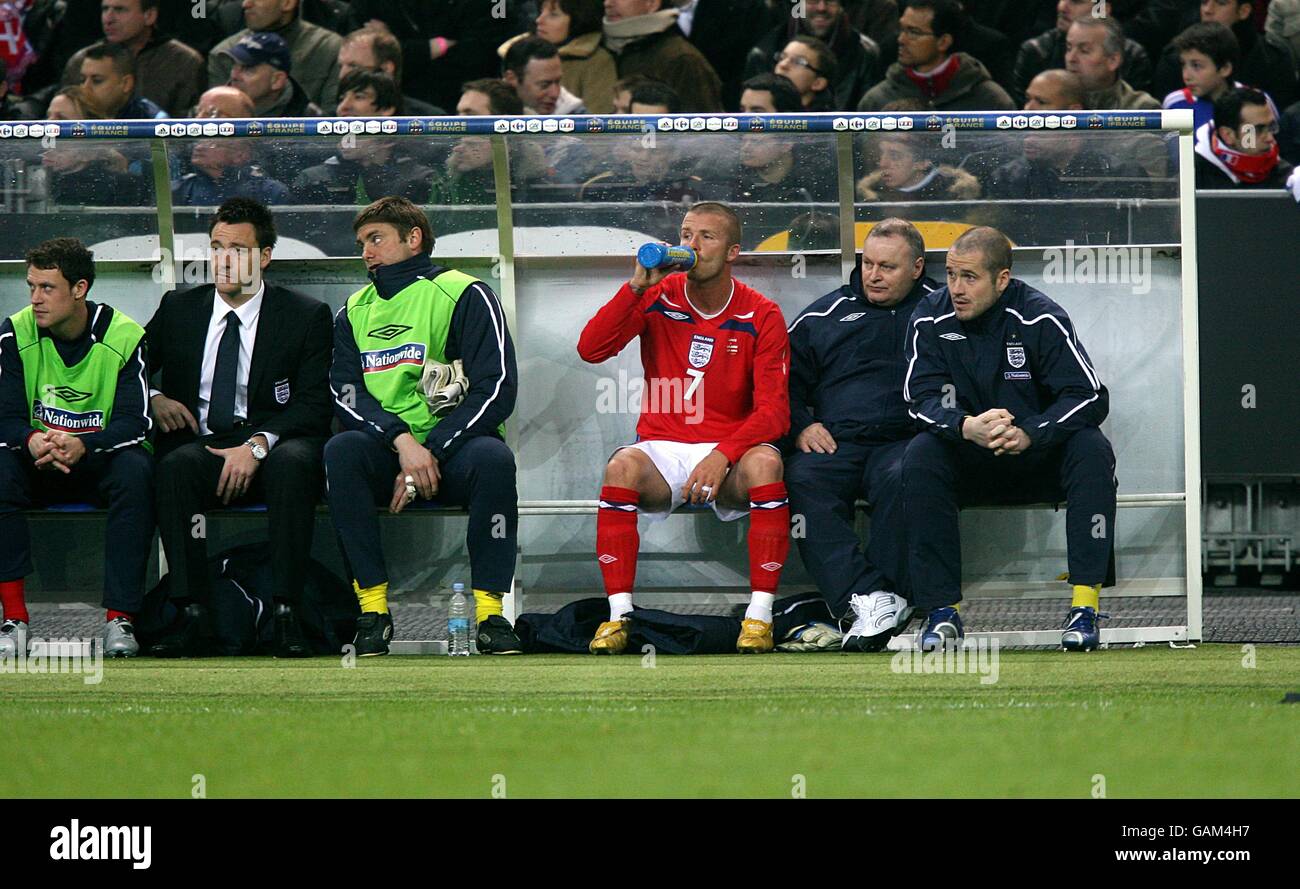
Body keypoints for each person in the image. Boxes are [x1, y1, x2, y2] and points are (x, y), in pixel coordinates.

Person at [576, 202, 791, 655]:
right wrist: (636, 288)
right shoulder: (658, 294)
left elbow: (774, 414)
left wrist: (722, 454)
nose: (692, 246)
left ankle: (759, 618)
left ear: (732, 252)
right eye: (686, 235)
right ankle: (619, 617)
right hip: (664, 447)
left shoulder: (761, 313)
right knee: (621, 467)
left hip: (730, 453)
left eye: (706, 237)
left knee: (767, 463)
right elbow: (591, 350)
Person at [901, 227, 1117, 652]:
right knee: (920, 455)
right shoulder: (929, 316)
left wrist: (1030, 433)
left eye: (969, 277)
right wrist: (966, 426)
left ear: (1002, 280)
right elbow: (916, 400)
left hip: (1037, 457)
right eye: (951, 275)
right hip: (970, 455)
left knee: (1092, 448)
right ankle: (942, 612)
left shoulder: (1039, 317)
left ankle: (1085, 607)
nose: (956, 289)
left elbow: (1090, 396)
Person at [325, 197, 522, 657]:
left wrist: (430, 449)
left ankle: (491, 615)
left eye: (376, 239)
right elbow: (345, 394)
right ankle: (373, 611)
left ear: (413, 238)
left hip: (453, 450)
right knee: (341, 451)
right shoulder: (353, 310)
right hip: (389, 450)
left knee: (495, 459)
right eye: (361, 243)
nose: (366, 253)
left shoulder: (466, 293)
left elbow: (496, 389)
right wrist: (402, 444)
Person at [146, 199, 333, 658]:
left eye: (238, 250)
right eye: (216, 248)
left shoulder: (305, 315)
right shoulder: (179, 308)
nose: (224, 260)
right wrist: (154, 397)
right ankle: (192, 614)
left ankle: (286, 612)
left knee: (294, 463)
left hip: (274, 442)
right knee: (175, 467)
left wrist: (257, 445)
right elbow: (130, 368)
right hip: (204, 445)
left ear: (264, 257)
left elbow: (314, 403)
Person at [785, 219, 939, 651]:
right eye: (868, 263)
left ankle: (887, 601)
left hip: (911, 439)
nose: (873, 275)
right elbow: (780, 383)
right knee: (802, 478)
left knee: (907, 474)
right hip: (838, 440)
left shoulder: (942, 311)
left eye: (887, 267)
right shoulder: (823, 315)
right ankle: (871, 597)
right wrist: (801, 424)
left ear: (917, 268)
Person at [0, 238, 153, 659]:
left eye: (47, 288)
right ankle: (14, 619)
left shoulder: (124, 335)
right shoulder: (14, 333)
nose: (35, 299)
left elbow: (135, 421)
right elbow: (5, 415)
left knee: (136, 470)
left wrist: (83, 444)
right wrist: (32, 439)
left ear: (80, 288)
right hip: (36, 460)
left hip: (95, 461)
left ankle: (120, 619)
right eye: (31, 286)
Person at [344, 0, 518, 112]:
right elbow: (357, 46)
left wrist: (397, 44)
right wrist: (427, 49)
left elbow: (481, 52)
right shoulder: (369, 5)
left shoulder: (494, 4)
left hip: (462, 97)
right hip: (398, 101)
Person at [293, 70, 434, 206]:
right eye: (342, 99)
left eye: (359, 97)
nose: (343, 107)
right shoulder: (314, 179)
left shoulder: (419, 180)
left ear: (386, 109)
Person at [857, 0, 1013, 112]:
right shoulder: (876, 101)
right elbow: (858, 149)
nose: (901, 39)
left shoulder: (991, 101)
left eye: (913, 32)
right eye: (902, 29)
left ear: (943, 42)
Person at [61, 0, 206, 118]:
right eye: (105, 9)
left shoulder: (184, 61)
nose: (108, 19)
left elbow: (187, 127)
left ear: (149, 15)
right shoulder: (81, 60)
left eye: (120, 10)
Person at [1153, 1, 1297, 110]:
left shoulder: (1273, 59)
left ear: (1243, 11)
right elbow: (1167, 136)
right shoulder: (1174, 59)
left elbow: (1273, 132)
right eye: (1204, 2)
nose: (1207, 10)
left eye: (1221, 3)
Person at [744, 0, 882, 110]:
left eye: (830, 0)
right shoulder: (764, 52)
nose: (821, 7)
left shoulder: (866, 53)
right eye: (813, 0)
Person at [1011, 0, 1153, 106]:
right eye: (1068, 48)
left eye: (1076, 1)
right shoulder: (1036, 51)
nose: (1062, 6)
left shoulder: (1132, 56)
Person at [210, 0, 343, 113]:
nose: (246, 4)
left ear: (288, 2)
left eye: (248, 68)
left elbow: (333, 120)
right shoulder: (223, 53)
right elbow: (217, 112)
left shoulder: (329, 48)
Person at [1161, 22, 1287, 133]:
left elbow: (1263, 147)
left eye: (1197, 66)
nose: (1186, 76)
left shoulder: (1257, 103)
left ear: (1224, 68)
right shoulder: (1175, 104)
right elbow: (1171, 151)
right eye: (1183, 64)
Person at [601, 0, 723, 112]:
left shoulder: (680, 58)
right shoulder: (603, 50)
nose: (608, 3)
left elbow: (702, 123)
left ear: (652, 3)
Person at [1194, 86, 1300, 194]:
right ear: (1228, 135)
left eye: (1271, 126)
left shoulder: (1288, 177)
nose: (1270, 138)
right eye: (1257, 130)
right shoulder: (1192, 175)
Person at [529, 0, 618, 113]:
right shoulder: (522, 53)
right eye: (541, 12)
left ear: (577, 20)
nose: (539, 20)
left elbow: (597, 117)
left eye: (553, 15)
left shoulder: (597, 62)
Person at [337, 26, 444, 115]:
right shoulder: (332, 119)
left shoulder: (431, 121)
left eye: (354, 66)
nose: (342, 75)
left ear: (386, 69)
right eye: (340, 66)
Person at [1065, 16, 1160, 110]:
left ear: (1113, 61)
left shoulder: (1142, 108)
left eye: (1084, 50)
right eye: (1069, 48)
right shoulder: (1057, 100)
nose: (1071, 58)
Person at [856, 132, 981, 202]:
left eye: (895, 156)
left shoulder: (955, 195)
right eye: (881, 154)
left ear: (923, 163)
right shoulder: (870, 193)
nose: (882, 163)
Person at [226, 32, 323, 118]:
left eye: (248, 69)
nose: (234, 76)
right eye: (234, 65)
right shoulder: (219, 110)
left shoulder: (312, 122)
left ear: (277, 80)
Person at [77, 41, 167, 119]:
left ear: (126, 84)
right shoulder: (74, 113)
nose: (85, 88)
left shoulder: (154, 121)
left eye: (97, 80)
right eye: (82, 80)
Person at [501, 34, 587, 114]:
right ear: (511, 79)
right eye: (544, 85)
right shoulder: (493, 111)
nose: (555, 94)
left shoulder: (577, 117)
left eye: (557, 82)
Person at [774, 36, 839, 111]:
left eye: (798, 62)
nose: (783, 65)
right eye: (782, 57)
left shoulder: (824, 118)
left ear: (818, 83)